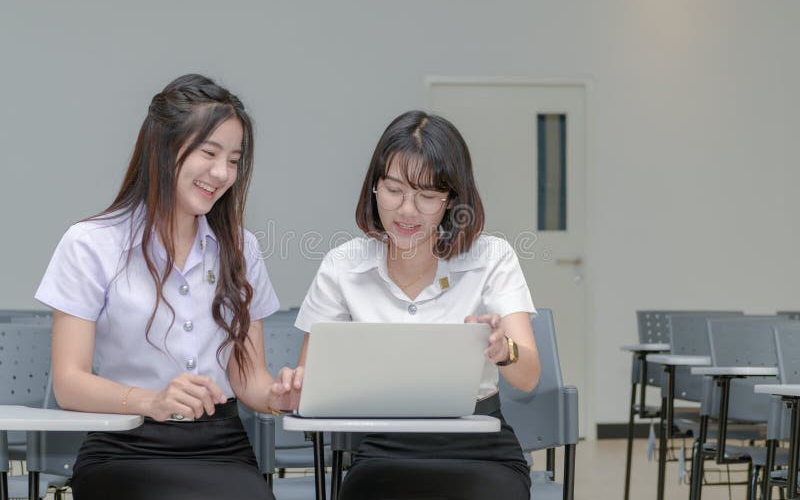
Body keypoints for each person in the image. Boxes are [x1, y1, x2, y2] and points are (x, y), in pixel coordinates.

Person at [35, 74, 299, 500]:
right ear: (162, 149)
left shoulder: (241, 248)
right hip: (125, 447)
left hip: (222, 449)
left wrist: (281, 396)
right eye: (209, 153)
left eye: (234, 159)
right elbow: (69, 383)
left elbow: (250, 381)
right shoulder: (90, 243)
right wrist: (152, 401)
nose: (222, 173)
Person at [294, 110, 541, 500]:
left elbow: (528, 376)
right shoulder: (343, 266)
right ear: (374, 187)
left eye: (427, 196)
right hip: (384, 448)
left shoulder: (492, 257)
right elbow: (310, 386)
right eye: (394, 190)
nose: (407, 211)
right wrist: (299, 386)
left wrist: (502, 349)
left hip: (479, 447)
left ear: (451, 201)